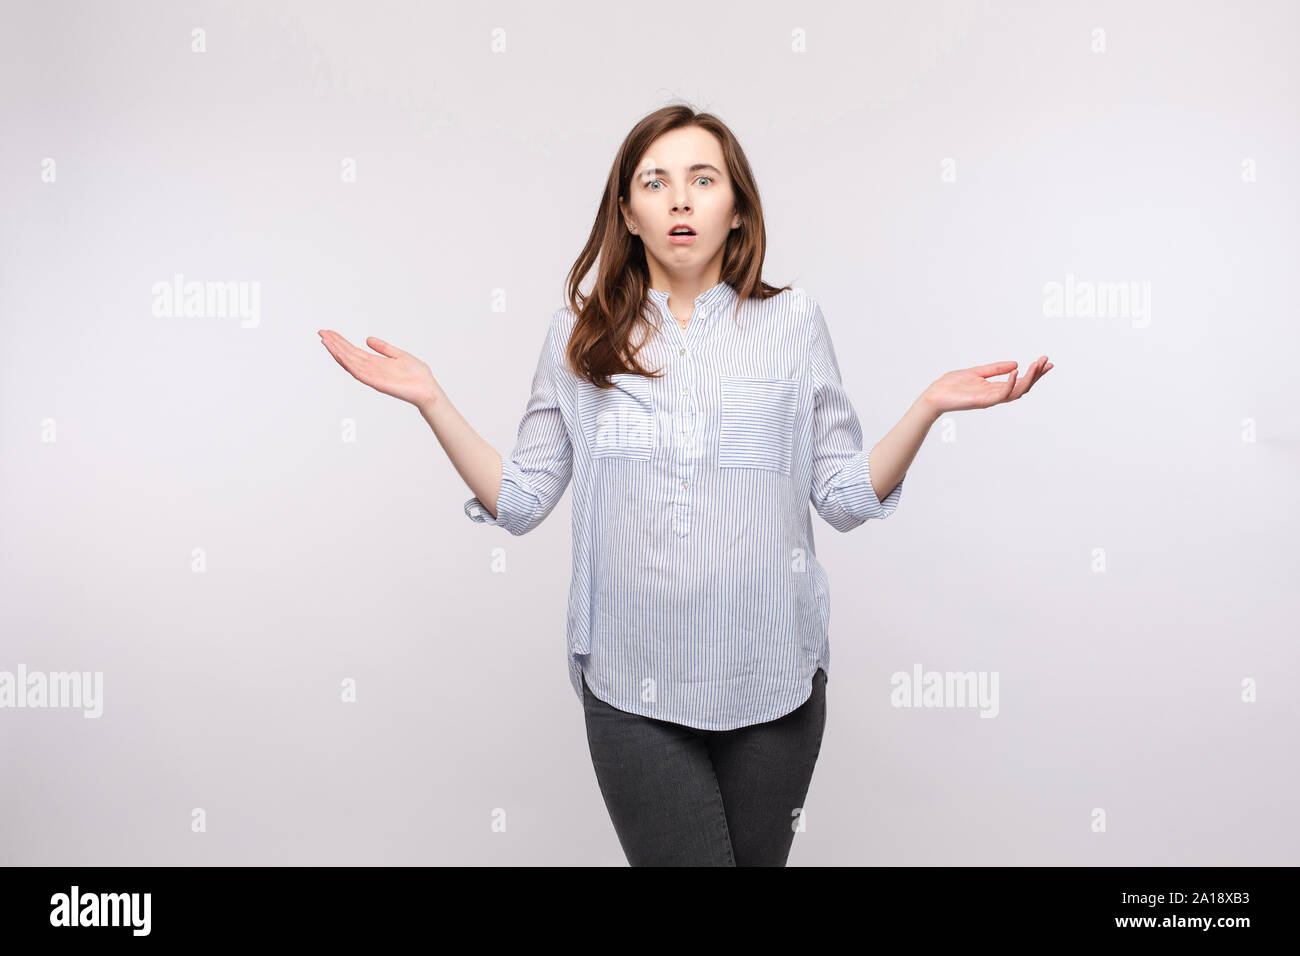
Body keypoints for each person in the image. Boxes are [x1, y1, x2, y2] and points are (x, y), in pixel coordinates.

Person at [318, 105, 1053, 866]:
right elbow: (523, 498)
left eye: (703, 180)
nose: (680, 200)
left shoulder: (794, 323)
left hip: (774, 687)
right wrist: (432, 399)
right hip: (632, 690)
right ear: (628, 213)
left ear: (736, 210)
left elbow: (842, 496)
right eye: (655, 182)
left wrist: (929, 405)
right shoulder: (578, 334)